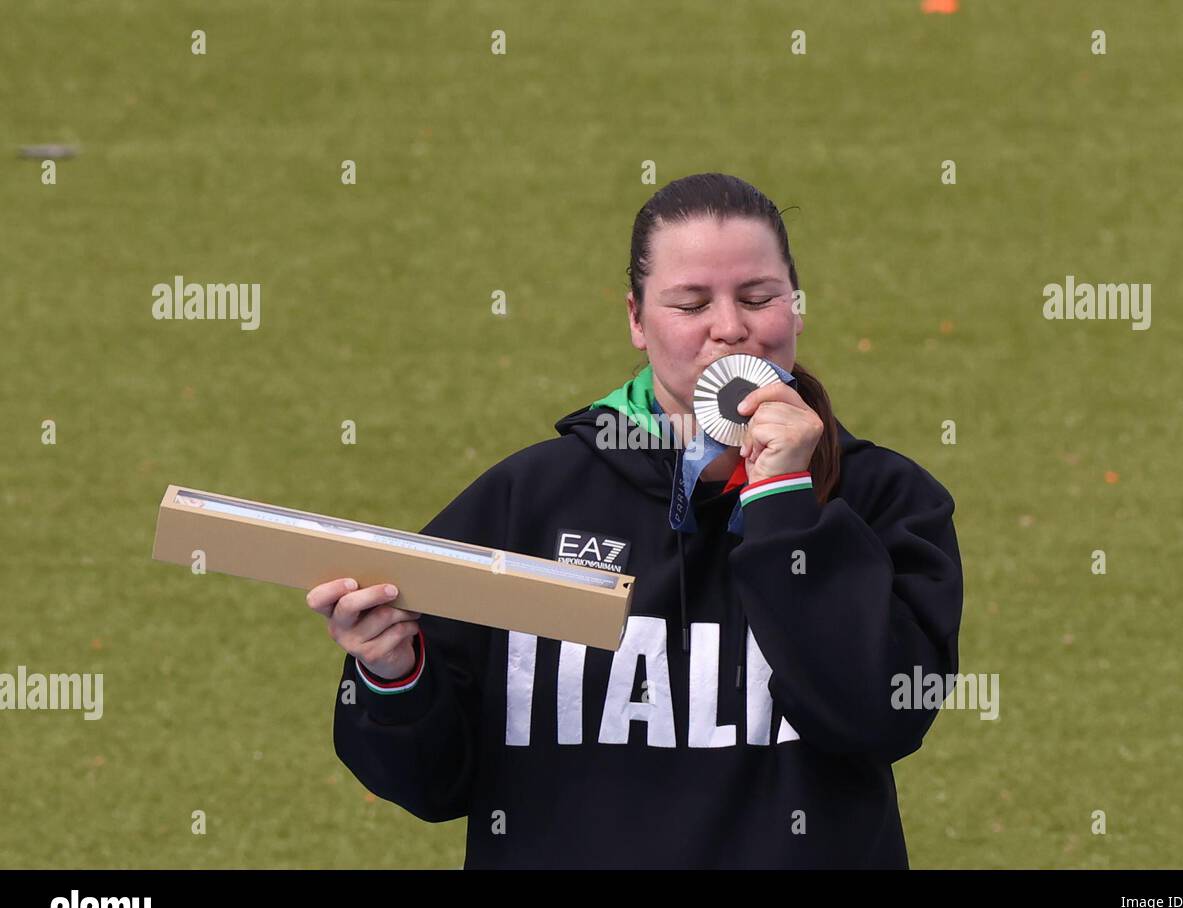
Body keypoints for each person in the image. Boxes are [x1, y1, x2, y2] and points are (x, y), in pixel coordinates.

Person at [308, 172, 964, 868]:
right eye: (690, 303)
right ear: (635, 319)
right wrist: (392, 672)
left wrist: (782, 501)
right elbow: (429, 784)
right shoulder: (524, 504)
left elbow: (876, 718)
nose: (731, 327)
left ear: (796, 308)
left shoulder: (888, 500)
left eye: (758, 297)